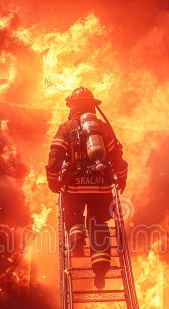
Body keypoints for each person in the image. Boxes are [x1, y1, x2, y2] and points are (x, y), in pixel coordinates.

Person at [45, 87, 128, 289]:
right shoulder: (102, 128)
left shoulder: (66, 128)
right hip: (101, 187)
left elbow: (55, 156)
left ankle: (77, 243)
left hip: (74, 187)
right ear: (92, 105)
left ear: (72, 106)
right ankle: (100, 269)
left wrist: (53, 180)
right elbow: (117, 155)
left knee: (73, 216)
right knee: (98, 224)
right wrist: (122, 178)